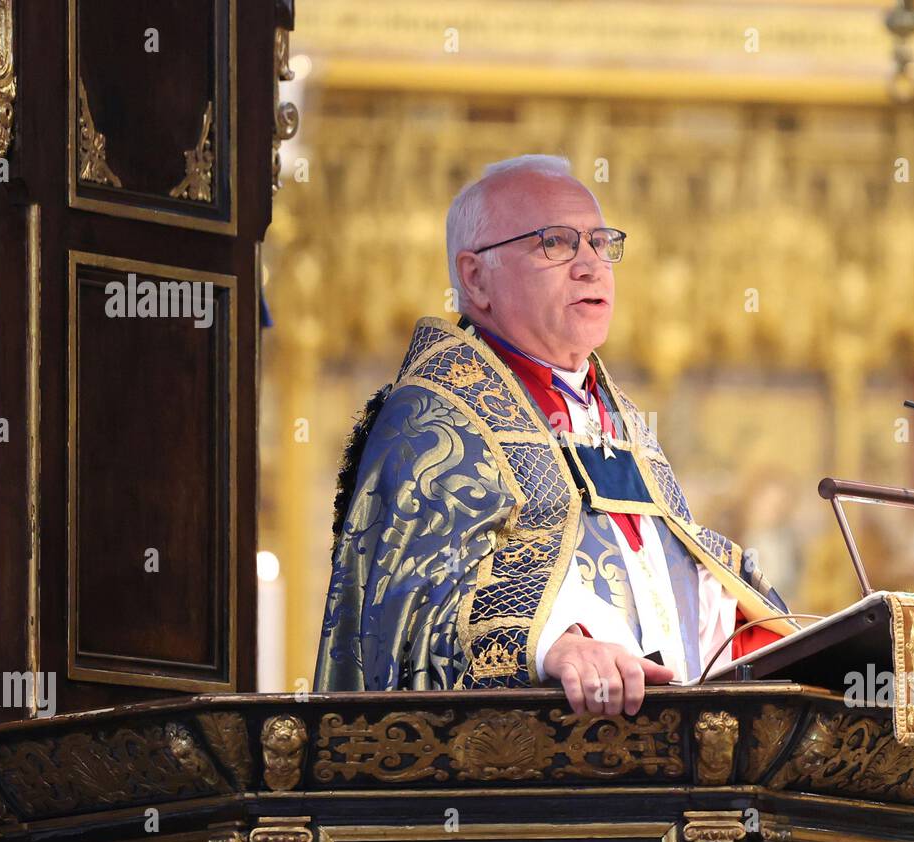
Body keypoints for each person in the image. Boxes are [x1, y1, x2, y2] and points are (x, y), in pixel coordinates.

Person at [314, 154, 793, 716]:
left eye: (600, 243)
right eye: (556, 243)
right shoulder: (431, 419)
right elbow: (409, 611)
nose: (591, 265)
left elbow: (668, 589)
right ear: (475, 277)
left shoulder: (617, 419)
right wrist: (548, 647)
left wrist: (782, 637)